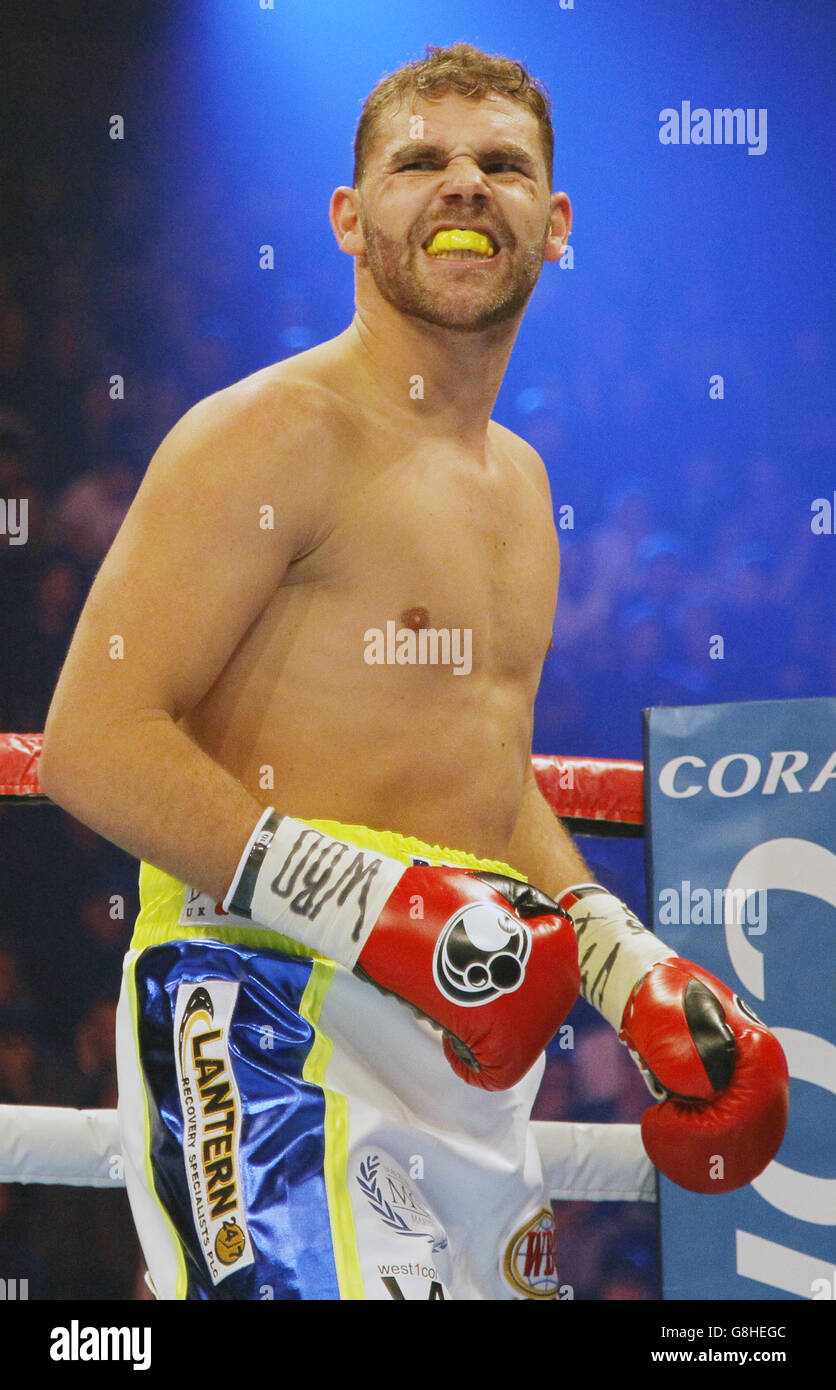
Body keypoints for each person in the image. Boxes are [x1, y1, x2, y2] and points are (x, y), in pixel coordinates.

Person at [39, 43, 788, 1301]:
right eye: (418, 161)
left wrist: (625, 966)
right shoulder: (270, 432)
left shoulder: (520, 486)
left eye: (500, 165)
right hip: (268, 1000)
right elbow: (92, 740)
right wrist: (377, 910)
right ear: (348, 216)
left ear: (552, 227)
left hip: (472, 1032)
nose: (461, 186)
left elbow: (488, 788)